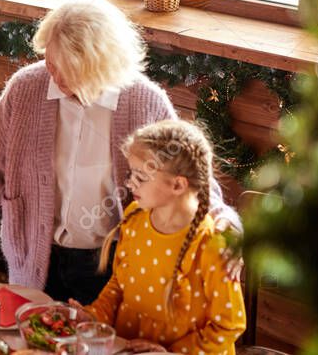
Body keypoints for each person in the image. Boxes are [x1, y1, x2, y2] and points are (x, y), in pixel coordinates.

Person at [0, 0, 241, 303]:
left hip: (115, 268)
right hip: (38, 266)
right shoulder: (26, 90)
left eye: (66, 70)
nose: (52, 75)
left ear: (101, 66)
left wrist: (225, 228)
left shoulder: (143, 104)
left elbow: (194, 187)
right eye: (49, 62)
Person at [78, 119, 246, 354]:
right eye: (131, 173)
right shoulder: (134, 218)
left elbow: (229, 325)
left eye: (141, 176)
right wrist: (94, 315)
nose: (130, 183)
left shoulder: (212, 245)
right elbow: (119, 284)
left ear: (177, 185)